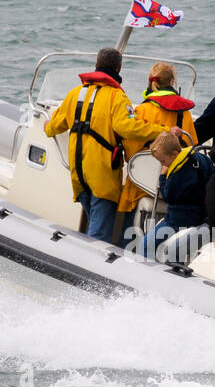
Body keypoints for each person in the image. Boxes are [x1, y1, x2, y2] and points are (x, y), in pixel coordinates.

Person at [44, 47, 169, 243]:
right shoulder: (117, 97)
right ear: (119, 69)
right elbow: (128, 126)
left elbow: (53, 127)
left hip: (78, 172)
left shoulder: (75, 94)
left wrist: (46, 126)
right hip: (101, 173)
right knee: (100, 234)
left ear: (96, 65)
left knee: (93, 218)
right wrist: (161, 130)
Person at [119, 62, 198, 228]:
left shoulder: (141, 110)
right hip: (172, 186)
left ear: (151, 82)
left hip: (141, 186)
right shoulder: (184, 113)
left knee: (128, 224)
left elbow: (130, 153)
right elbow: (192, 146)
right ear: (172, 82)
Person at [140, 130, 214, 259]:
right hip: (201, 216)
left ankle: (148, 273)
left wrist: (163, 176)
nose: (162, 165)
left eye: (163, 161)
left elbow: (169, 197)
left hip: (180, 220)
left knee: (145, 245)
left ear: (174, 154)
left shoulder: (179, 174)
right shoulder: (200, 159)